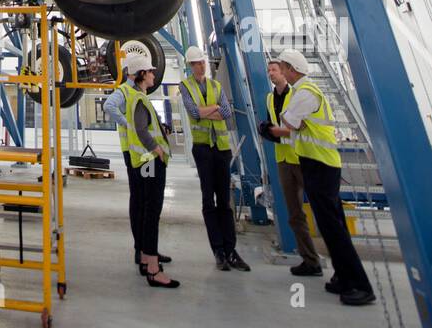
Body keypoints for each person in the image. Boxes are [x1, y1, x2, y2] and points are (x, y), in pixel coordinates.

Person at [267, 51, 375, 306]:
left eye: (282, 68)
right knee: (331, 225)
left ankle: (360, 284)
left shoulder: (304, 93)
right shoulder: (308, 91)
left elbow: (289, 121)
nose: (280, 71)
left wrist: (274, 129)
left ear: (291, 69)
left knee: (333, 228)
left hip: (320, 165)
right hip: (317, 163)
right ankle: (342, 275)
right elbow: (297, 128)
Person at [104, 41, 172, 275]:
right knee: (143, 203)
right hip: (140, 155)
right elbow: (109, 106)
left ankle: (145, 250)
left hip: (140, 153)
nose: (154, 74)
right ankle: (142, 250)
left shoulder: (135, 93)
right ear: (140, 73)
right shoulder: (126, 92)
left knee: (143, 202)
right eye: (150, 70)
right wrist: (130, 125)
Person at [180, 46, 250, 272]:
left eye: (202, 62)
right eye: (197, 63)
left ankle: (231, 250)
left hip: (221, 149)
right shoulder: (185, 86)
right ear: (191, 66)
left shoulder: (215, 85)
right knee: (208, 201)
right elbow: (194, 113)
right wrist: (215, 108)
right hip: (202, 149)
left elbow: (227, 113)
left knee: (225, 202)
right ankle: (218, 250)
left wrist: (208, 110)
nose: (201, 65)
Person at [259, 58, 322, 277]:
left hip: (303, 156)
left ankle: (336, 260)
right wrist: (267, 130)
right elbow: (273, 125)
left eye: (275, 70)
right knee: (294, 213)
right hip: (283, 159)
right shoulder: (269, 98)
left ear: (286, 72)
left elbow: (299, 127)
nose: (271, 73)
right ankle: (310, 260)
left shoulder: (298, 95)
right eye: (269, 71)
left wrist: (276, 132)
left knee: (321, 211)